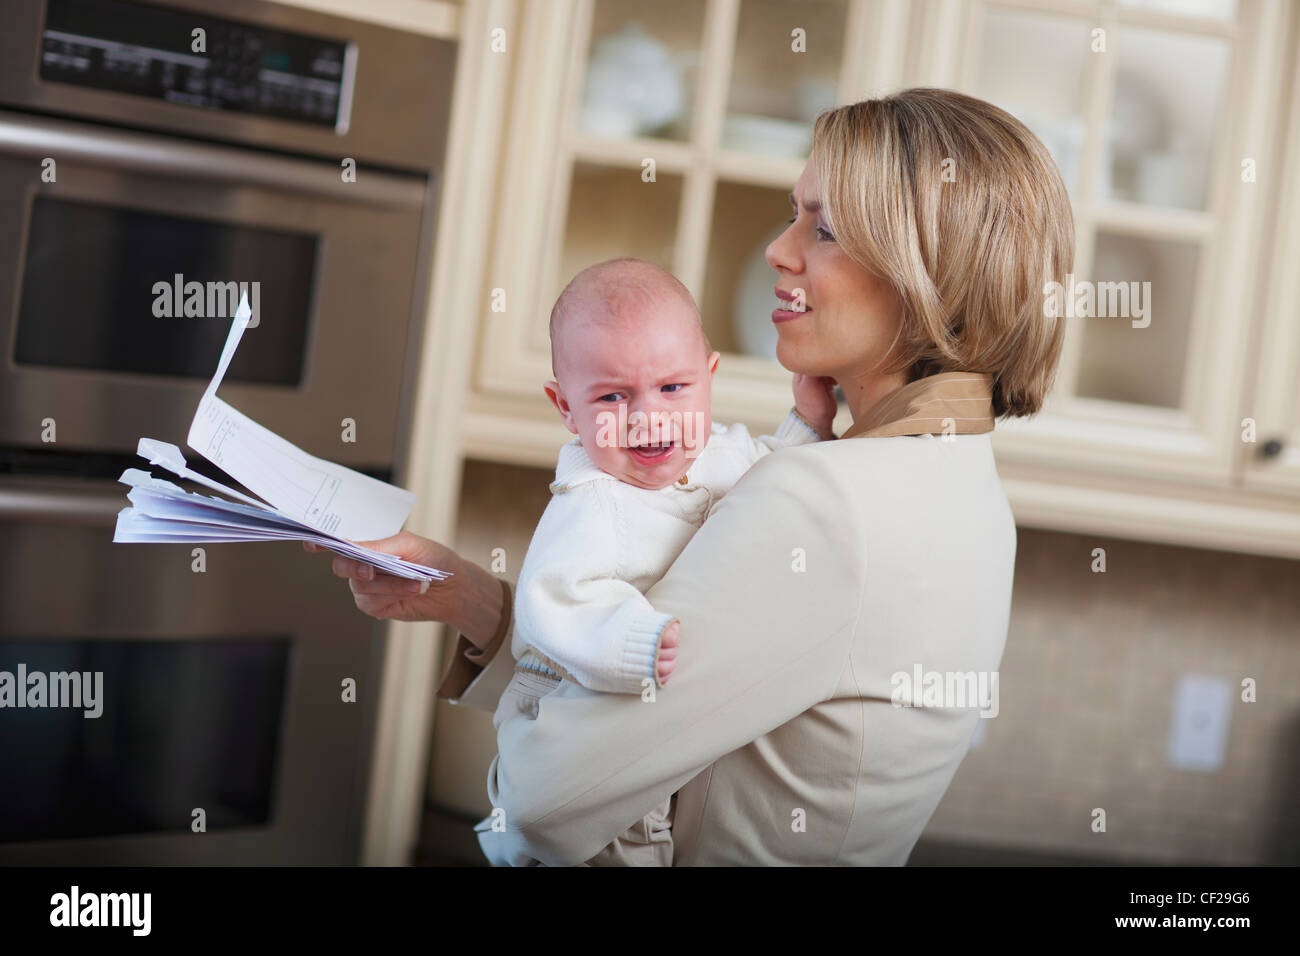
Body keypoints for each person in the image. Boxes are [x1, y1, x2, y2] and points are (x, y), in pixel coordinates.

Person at [306, 88, 1074, 865]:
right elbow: (689, 706)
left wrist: (531, 723)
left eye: (826, 227)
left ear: (926, 273)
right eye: (794, 212)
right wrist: (472, 599)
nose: (781, 249)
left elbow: (543, 801)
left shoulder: (829, 501)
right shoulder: (961, 486)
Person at [496, 256, 834, 865]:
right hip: (575, 702)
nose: (648, 417)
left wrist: (808, 422)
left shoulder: (721, 453)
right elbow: (555, 599)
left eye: (672, 388)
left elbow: (775, 478)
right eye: (612, 396)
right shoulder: (591, 504)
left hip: (661, 735)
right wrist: (632, 641)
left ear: (708, 376)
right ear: (566, 407)